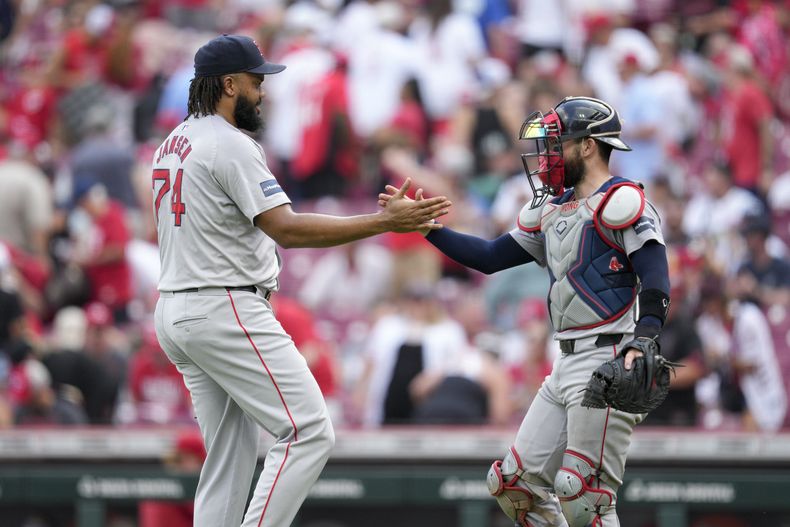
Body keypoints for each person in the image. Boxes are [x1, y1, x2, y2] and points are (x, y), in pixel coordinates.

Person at [151, 34, 451, 527]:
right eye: (255, 81)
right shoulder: (230, 143)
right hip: (223, 304)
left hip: (176, 308)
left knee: (228, 455)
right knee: (309, 431)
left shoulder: (169, 145)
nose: (262, 92)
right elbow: (286, 230)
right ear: (229, 85)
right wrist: (382, 222)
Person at [381, 96, 671, 526]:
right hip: (565, 360)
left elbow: (656, 275)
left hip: (608, 355)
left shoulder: (622, 200)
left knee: (584, 494)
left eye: (557, 143)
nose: (546, 156)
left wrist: (644, 337)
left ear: (588, 146)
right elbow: (488, 257)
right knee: (515, 486)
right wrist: (426, 227)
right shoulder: (551, 208)